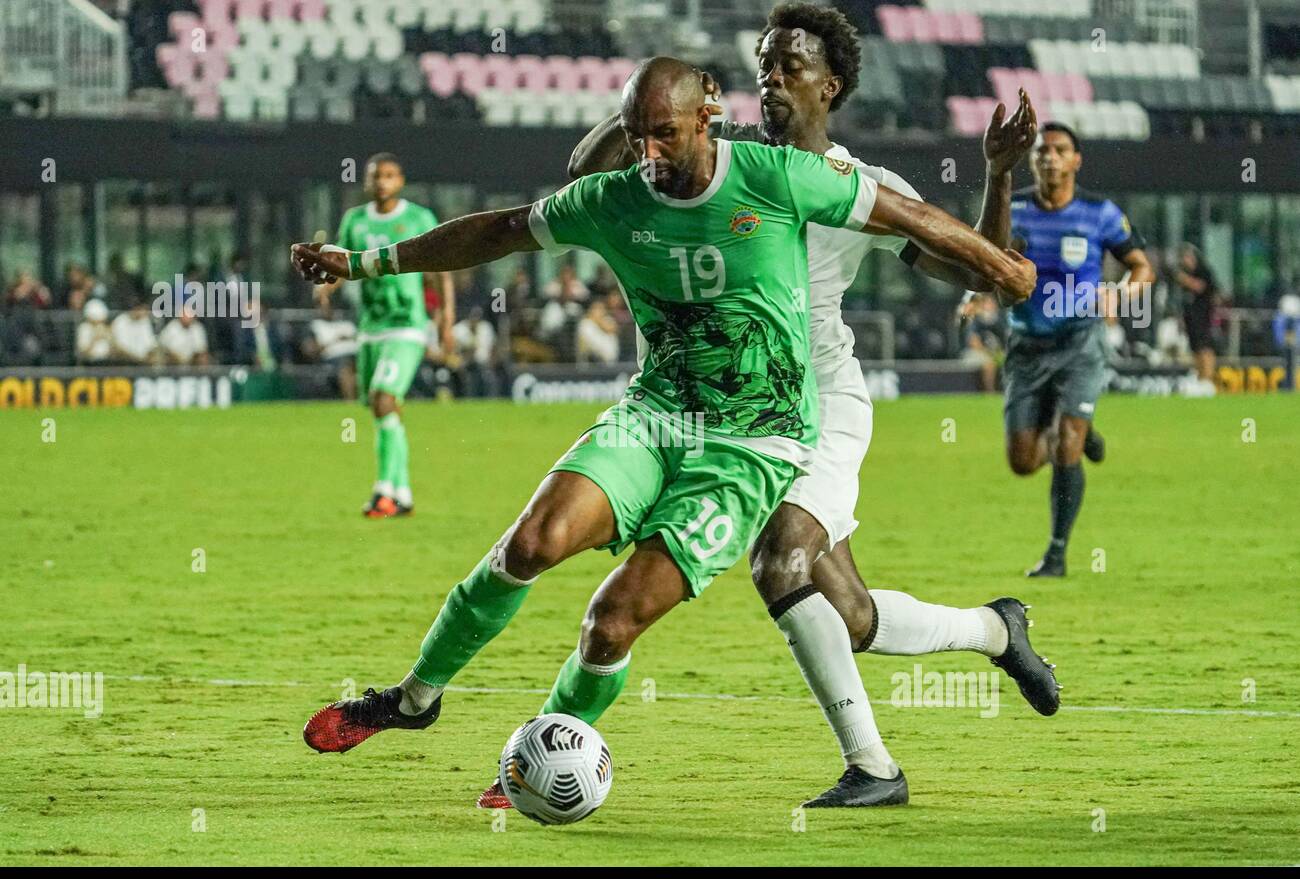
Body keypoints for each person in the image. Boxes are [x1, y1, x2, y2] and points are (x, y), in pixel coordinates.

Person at [291, 57, 1043, 809]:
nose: (647, 153)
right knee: (528, 545)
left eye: (663, 135)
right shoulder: (614, 197)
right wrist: (361, 263)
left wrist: (1001, 266)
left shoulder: (777, 178)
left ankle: (546, 751)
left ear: (704, 121)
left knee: (613, 622)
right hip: (655, 416)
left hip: (756, 441)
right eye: (634, 135)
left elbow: (913, 219)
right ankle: (414, 699)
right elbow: (500, 230)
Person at [564, 3, 1058, 808]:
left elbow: (977, 271)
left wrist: (1000, 174)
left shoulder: (866, 187)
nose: (772, 78)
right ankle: (996, 628)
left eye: (789, 66)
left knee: (780, 559)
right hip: (735, 409)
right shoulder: (707, 160)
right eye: (763, 64)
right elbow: (583, 182)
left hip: (823, 398)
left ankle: (874, 769)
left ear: (830, 86)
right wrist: (648, 108)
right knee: (851, 615)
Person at [1006, 121, 1155, 577]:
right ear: (1033, 161)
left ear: (1075, 161)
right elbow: (986, 261)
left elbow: (1142, 269)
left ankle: (1056, 554)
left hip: (1081, 341)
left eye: (1059, 150)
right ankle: (1080, 428)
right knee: (1023, 461)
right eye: (1041, 151)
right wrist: (975, 295)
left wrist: (1120, 294)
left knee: (1066, 445)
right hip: (1028, 345)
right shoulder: (1012, 211)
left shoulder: (1101, 213)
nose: (1049, 157)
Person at [316, 152, 455, 519]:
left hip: (407, 325)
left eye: (390, 175)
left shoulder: (418, 218)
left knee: (383, 398)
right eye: (376, 176)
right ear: (367, 181)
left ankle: (383, 492)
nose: (382, 182)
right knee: (384, 411)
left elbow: (441, 268)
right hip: (370, 330)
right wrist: (325, 288)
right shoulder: (355, 221)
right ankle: (403, 492)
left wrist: (445, 317)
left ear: (401, 180)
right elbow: (341, 263)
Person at [1173, 243, 1218, 387]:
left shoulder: (1203, 271)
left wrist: (1184, 280)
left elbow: (1201, 287)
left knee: (1205, 347)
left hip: (1202, 315)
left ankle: (1208, 379)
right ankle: (1200, 378)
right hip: (1190, 316)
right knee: (1196, 348)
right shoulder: (1186, 272)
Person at [110, 297, 159, 365]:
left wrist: (149, 357)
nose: (145, 313)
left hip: (143, 363)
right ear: (135, 309)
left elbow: (151, 345)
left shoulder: (145, 321)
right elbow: (117, 348)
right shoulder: (120, 321)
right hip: (124, 363)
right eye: (143, 310)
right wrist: (137, 359)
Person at [75, 299, 114, 365]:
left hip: (107, 362)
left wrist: (108, 336)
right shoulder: (84, 328)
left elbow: (114, 350)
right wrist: (95, 339)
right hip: (89, 363)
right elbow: (83, 353)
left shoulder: (107, 328)